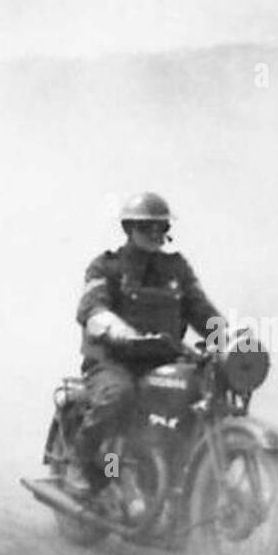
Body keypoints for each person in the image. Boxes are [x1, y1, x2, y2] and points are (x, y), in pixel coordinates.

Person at [65, 191, 223, 498]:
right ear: (128, 228)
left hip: (164, 363)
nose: (155, 234)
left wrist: (225, 340)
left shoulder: (176, 269)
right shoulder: (106, 267)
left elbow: (202, 311)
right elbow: (91, 308)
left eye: (161, 228)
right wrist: (116, 329)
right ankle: (84, 464)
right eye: (146, 227)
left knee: (201, 399)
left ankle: (176, 487)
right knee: (118, 396)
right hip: (114, 363)